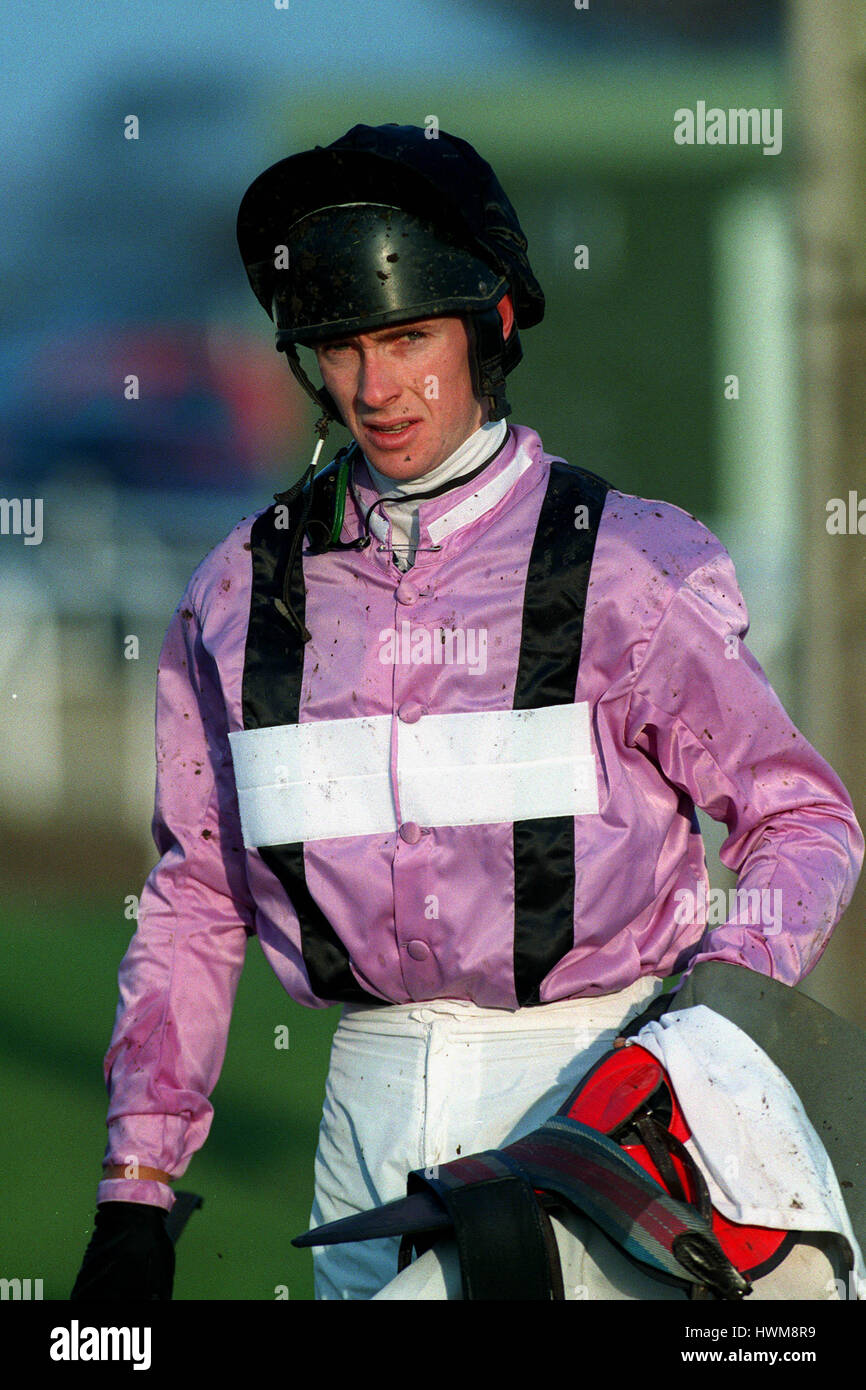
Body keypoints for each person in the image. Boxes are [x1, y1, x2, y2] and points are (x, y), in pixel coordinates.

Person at [71, 123, 864, 1302]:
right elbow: (195, 895)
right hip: (361, 1133)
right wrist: (136, 1183)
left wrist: (697, 1047)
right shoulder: (237, 594)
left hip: (599, 1110)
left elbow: (801, 822)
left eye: (408, 338)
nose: (377, 387)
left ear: (488, 329)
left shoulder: (628, 566)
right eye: (342, 346)